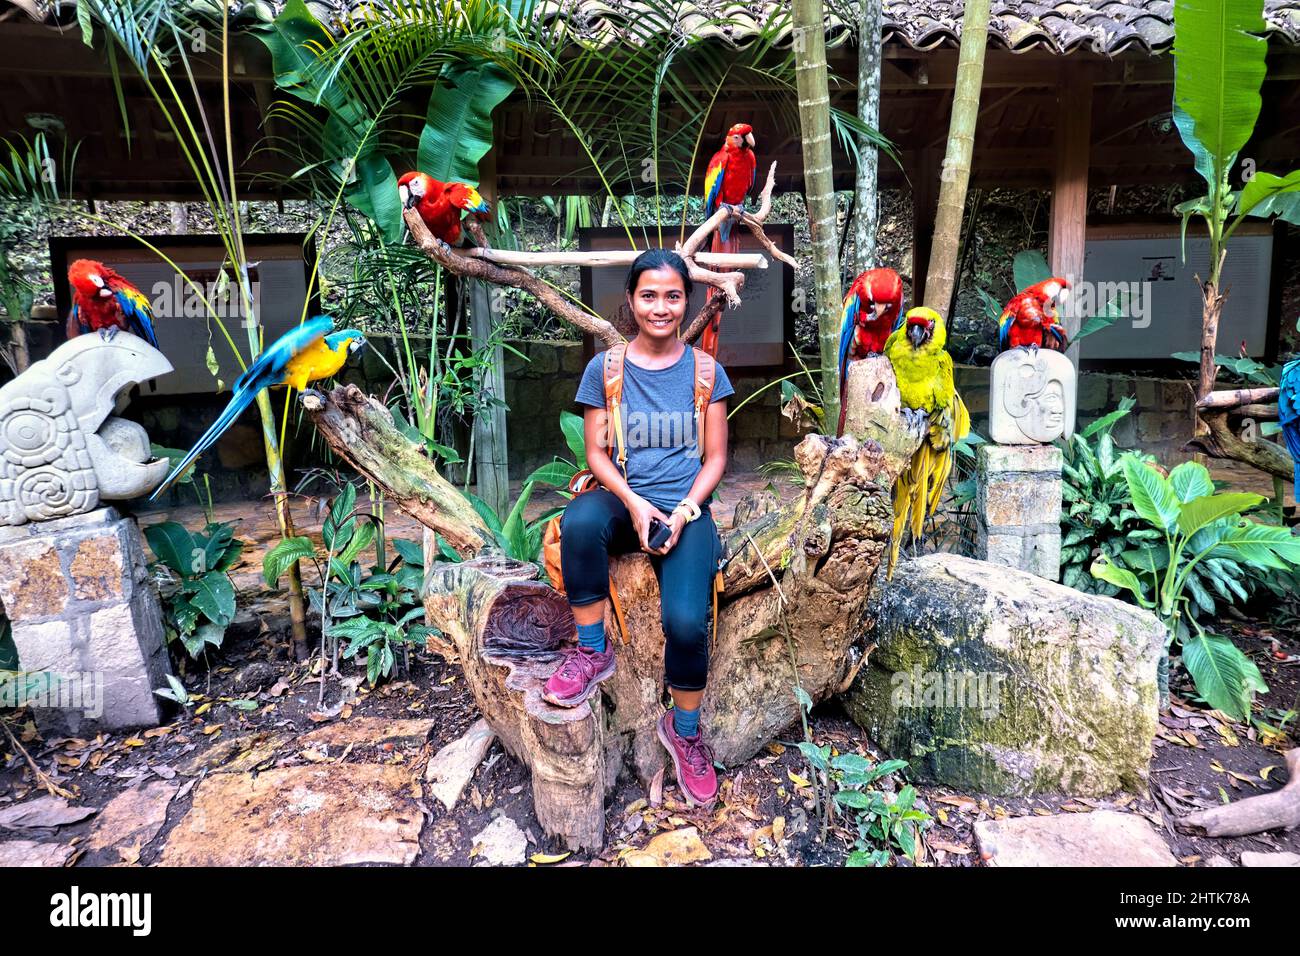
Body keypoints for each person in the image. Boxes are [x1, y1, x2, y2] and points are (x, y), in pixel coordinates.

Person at [542, 248, 734, 807]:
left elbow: (717, 458)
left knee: (685, 622)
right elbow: (598, 453)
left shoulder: (706, 372)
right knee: (579, 520)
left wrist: (681, 512)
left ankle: (685, 732)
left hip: (685, 511)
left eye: (672, 296)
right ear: (631, 301)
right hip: (628, 504)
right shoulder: (606, 369)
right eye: (649, 295)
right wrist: (632, 503)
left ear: (686, 302)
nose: (660, 307)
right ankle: (591, 650)